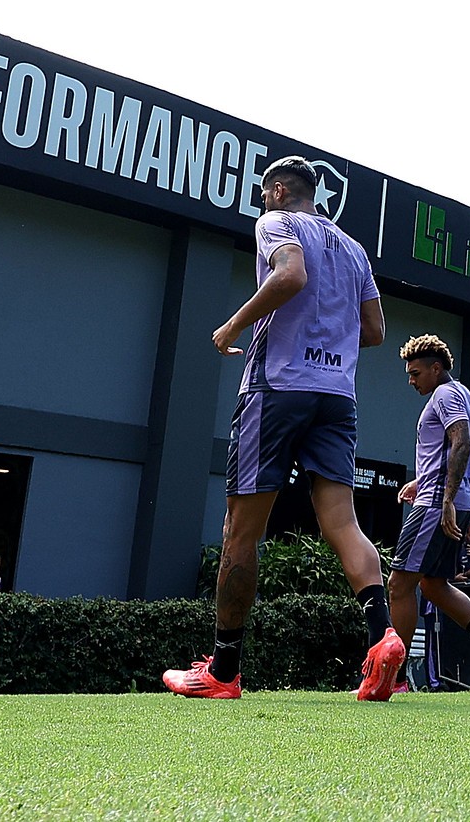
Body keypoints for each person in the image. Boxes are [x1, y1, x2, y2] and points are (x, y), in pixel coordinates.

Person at [163, 156, 398, 702]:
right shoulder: (354, 248)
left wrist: (230, 326)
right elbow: (375, 330)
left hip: (276, 388)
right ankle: (384, 637)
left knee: (240, 530)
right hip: (337, 396)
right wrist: (329, 340)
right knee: (343, 522)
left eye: (264, 192)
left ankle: (223, 671)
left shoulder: (276, 224)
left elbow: (290, 274)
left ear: (277, 190)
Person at [389, 335, 470, 694]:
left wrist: (443, 498)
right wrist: (422, 480)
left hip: (437, 503)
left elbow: (461, 443)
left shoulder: (445, 395)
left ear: (436, 368)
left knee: (400, 584)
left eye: (415, 373)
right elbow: (449, 449)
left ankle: (396, 679)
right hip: (444, 495)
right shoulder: (458, 393)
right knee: (433, 584)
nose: (411, 380)